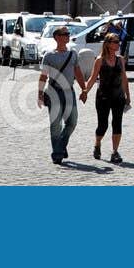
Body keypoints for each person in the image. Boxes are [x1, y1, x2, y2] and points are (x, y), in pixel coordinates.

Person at [37, 22, 88, 164]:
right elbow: (43, 76)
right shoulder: (49, 55)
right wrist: (40, 93)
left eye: (68, 34)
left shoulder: (73, 53)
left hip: (69, 91)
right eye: (65, 34)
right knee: (55, 125)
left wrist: (84, 89)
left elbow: (78, 72)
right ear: (57, 37)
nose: (68, 36)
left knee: (72, 122)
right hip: (54, 92)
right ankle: (58, 153)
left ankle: (61, 144)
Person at [82, 32, 131, 164]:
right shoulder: (100, 60)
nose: (118, 44)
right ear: (108, 44)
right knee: (102, 125)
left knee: (117, 123)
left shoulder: (120, 60)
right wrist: (85, 91)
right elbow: (93, 78)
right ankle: (97, 143)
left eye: (118, 41)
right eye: (115, 42)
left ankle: (115, 152)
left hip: (118, 96)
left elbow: (124, 78)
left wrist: (128, 95)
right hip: (103, 97)